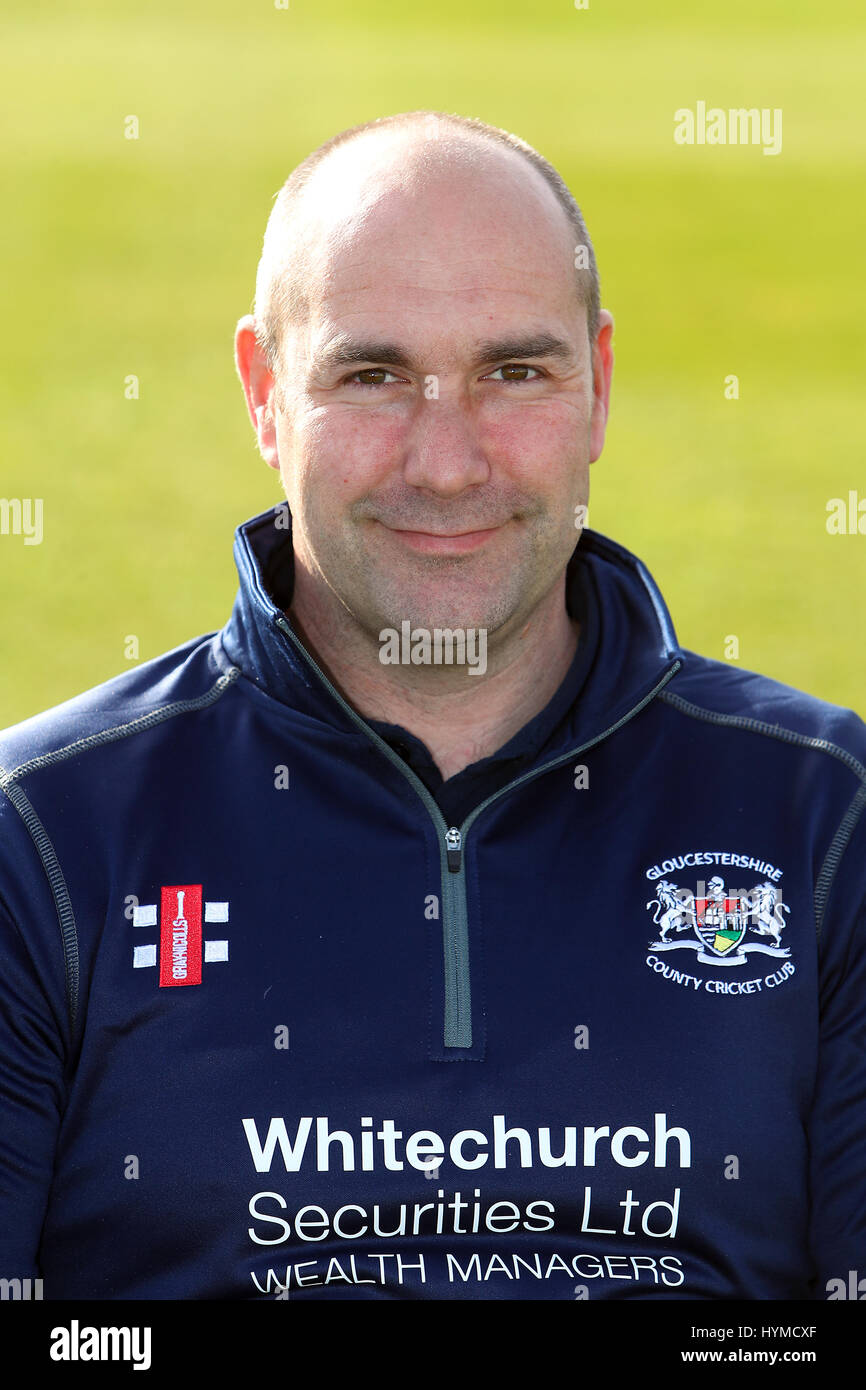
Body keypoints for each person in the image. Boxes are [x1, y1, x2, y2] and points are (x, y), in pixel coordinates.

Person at [1, 110, 864, 1302]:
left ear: (598, 386)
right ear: (262, 394)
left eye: (513, 372)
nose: (448, 464)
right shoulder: (39, 841)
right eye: (373, 376)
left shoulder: (827, 820)